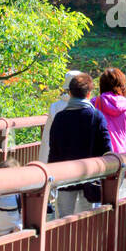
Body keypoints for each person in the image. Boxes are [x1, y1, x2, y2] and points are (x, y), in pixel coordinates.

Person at [48, 73, 113, 217]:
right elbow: (107, 149)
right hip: (90, 178)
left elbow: (53, 151)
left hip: (64, 179)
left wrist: (51, 181)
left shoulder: (60, 118)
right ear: (89, 94)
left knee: (63, 223)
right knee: (86, 222)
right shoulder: (96, 117)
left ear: (70, 93)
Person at [92, 67, 126, 183]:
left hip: (99, 158)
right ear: (121, 85)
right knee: (114, 197)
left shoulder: (94, 103)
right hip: (121, 159)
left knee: (97, 197)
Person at [39, 69, 80, 163]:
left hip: (57, 160)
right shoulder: (90, 108)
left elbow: (47, 140)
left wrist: (44, 163)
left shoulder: (55, 107)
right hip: (81, 163)